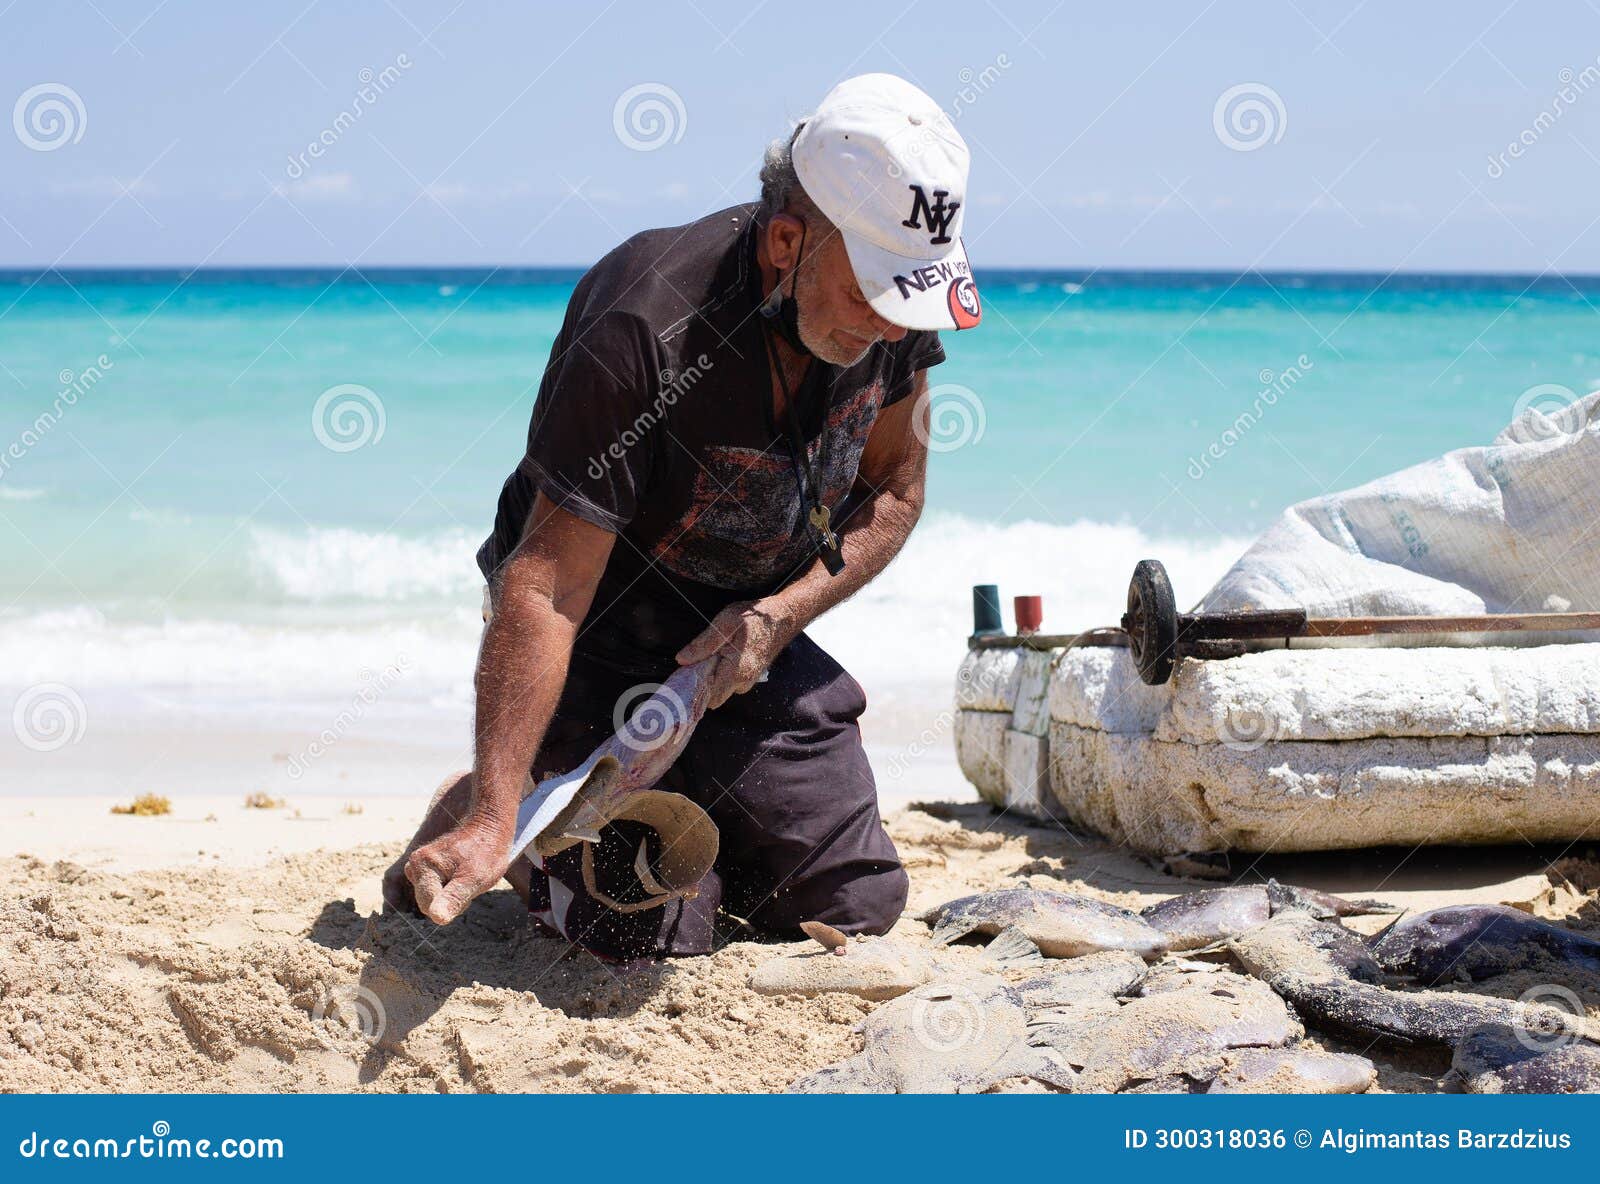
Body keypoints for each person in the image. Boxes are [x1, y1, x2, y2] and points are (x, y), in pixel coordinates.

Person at [383, 73, 984, 960]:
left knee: (856, 903)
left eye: (913, 299)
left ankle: (664, 804)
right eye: (876, 296)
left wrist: (778, 619)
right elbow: (547, 587)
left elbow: (896, 494)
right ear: (788, 242)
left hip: (748, 631)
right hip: (601, 626)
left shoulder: (887, 330)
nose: (897, 331)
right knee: (640, 927)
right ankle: (514, 797)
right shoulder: (643, 321)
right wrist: (492, 814)